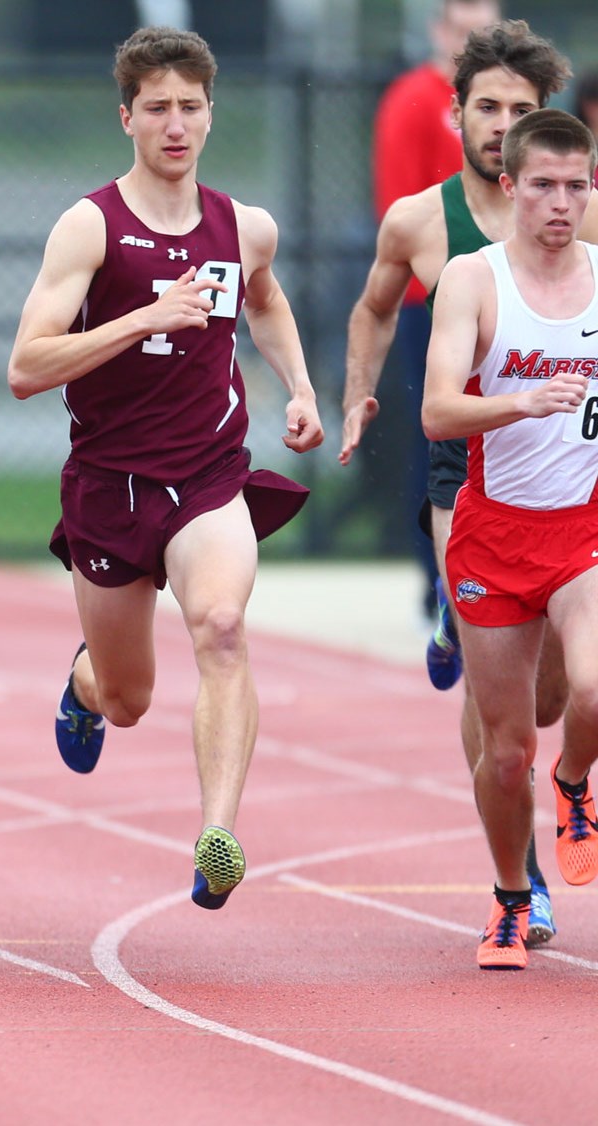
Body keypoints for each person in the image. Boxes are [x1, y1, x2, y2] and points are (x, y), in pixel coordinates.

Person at [7, 27, 323, 911]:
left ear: (211, 115)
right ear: (128, 119)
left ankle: (217, 832)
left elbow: (266, 301)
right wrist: (143, 319)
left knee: (221, 626)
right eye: (157, 110)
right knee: (129, 697)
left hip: (210, 474)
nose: (175, 125)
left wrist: (299, 387)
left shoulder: (242, 227)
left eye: (190, 108)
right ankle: (83, 685)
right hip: (112, 486)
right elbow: (28, 367)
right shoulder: (90, 225)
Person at [339, 20, 582, 946]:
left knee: (558, 697)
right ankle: (514, 876)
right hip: (466, 470)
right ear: (459, 114)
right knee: (505, 711)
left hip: (564, 475)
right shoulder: (420, 220)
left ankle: (459, 614)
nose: (503, 124)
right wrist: (359, 395)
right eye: (488, 107)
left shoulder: (582, 215)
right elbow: (369, 311)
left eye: (523, 110)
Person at [419, 109, 598, 969]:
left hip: (584, 533)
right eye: (544, 186)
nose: (561, 203)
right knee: (506, 750)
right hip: (492, 536)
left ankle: (574, 788)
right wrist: (517, 402)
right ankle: (508, 901)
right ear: (510, 188)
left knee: (593, 695)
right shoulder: (472, 279)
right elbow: (435, 411)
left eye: (576, 185)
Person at [364, 0, 502, 612]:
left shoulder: (515, 106)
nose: (473, 38)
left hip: (512, 298)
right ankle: (440, 582)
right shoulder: (414, 98)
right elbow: (399, 201)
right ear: (438, 31)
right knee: (439, 441)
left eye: (485, 28)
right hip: (437, 305)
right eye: (463, 28)